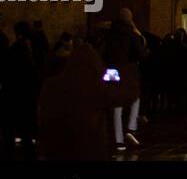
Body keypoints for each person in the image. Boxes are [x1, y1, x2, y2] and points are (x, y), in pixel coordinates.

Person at [37, 42, 140, 160]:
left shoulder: (51, 85)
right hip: (88, 147)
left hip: (57, 147)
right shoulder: (93, 87)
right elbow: (128, 94)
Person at [101, 8, 147, 151]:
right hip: (127, 71)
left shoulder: (108, 34)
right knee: (135, 98)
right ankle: (130, 129)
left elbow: (102, 52)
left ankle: (118, 140)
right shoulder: (131, 34)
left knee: (116, 105)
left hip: (111, 71)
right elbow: (141, 53)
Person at [2, 22, 39, 159]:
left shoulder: (16, 49)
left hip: (15, 93)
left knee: (13, 131)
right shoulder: (24, 49)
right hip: (23, 94)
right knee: (25, 131)